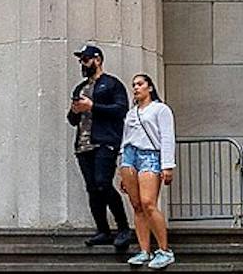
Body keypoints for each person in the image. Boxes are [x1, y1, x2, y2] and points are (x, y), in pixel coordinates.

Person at [70, 43, 137, 253]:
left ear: (97, 60)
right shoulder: (80, 88)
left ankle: (124, 228)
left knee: (103, 183)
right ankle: (103, 230)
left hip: (105, 142)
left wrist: (93, 107)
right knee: (92, 188)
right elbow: (72, 120)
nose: (83, 63)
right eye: (81, 60)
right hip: (83, 145)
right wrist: (75, 110)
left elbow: (120, 110)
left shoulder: (112, 84)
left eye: (86, 59)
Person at [118, 73, 182, 268]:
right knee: (136, 205)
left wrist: (167, 165)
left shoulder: (160, 109)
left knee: (148, 203)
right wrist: (121, 167)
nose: (136, 88)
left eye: (140, 84)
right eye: (134, 85)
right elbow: (125, 138)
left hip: (150, 155)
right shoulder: (131, 113)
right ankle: (144, 249)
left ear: (150, 87)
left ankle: (164, 249)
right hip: (130, 156)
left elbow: (167, 137)